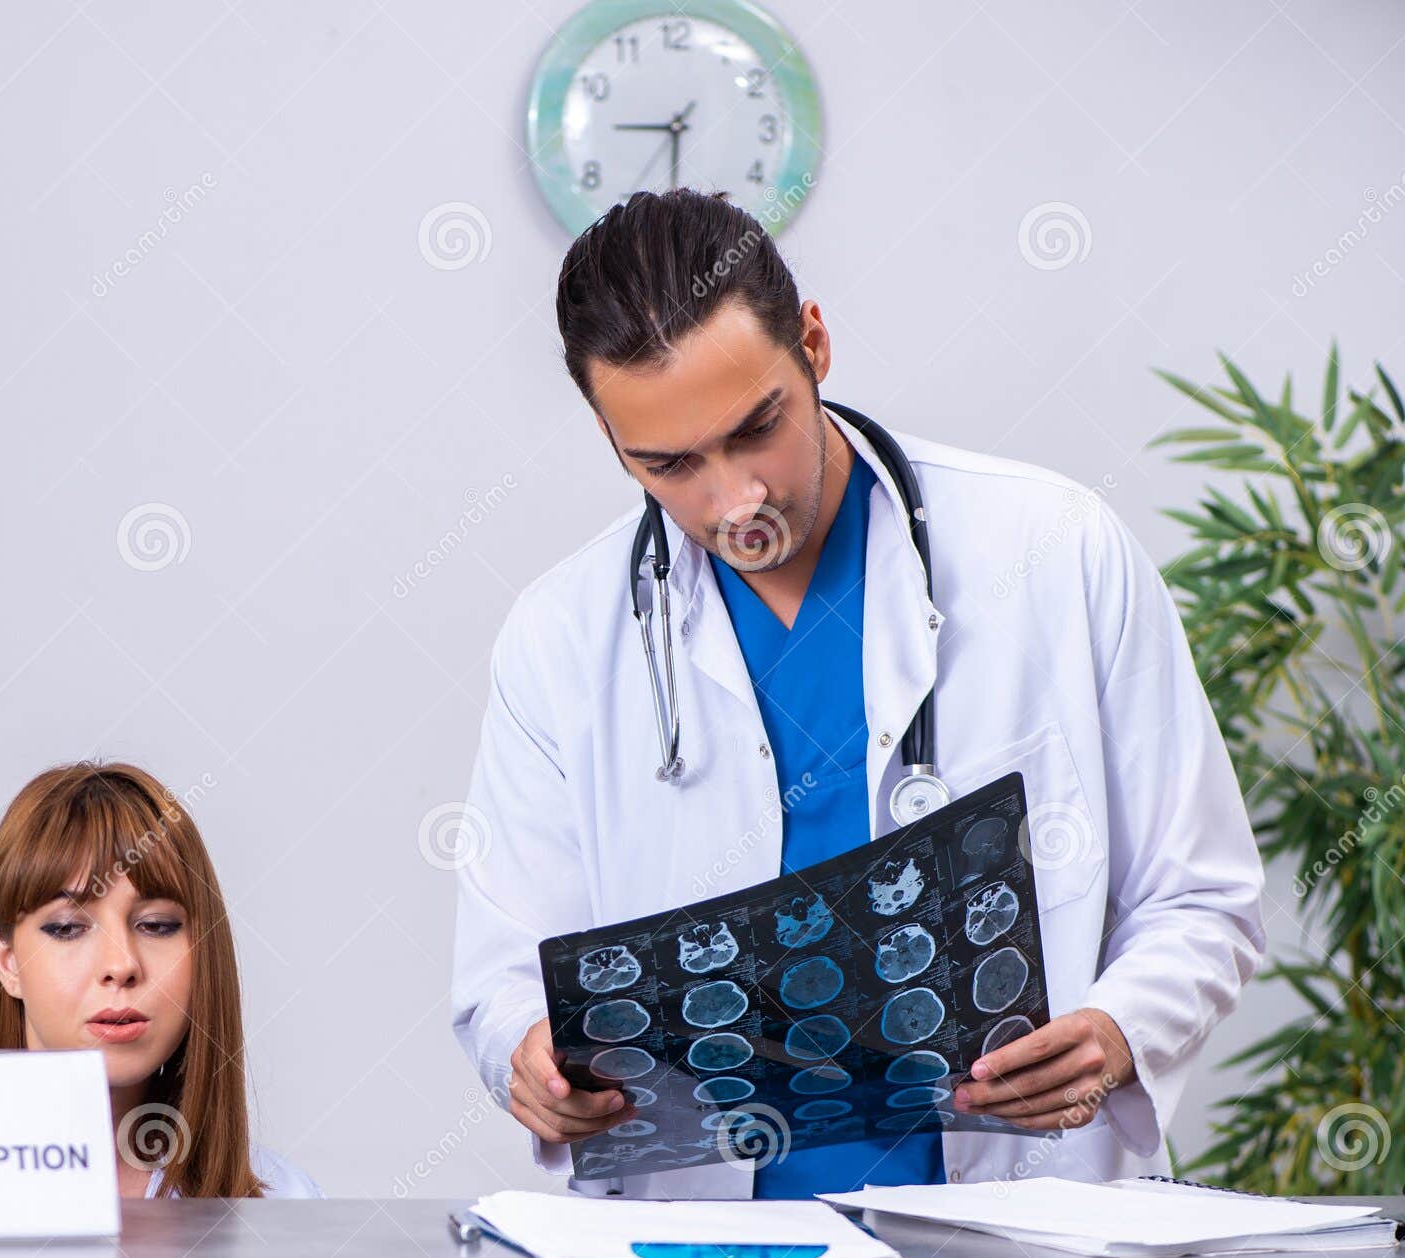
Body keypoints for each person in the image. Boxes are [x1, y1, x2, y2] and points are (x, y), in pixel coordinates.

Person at [450, 188, 1265, 1199]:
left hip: (1019, 1224)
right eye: (668, 464)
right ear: (612, 441)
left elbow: (1201, 893)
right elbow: (503, 974)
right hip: (698, 1257)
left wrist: (1118, 1030)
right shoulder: (559, 637)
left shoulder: (1054, 549)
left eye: (756, 429)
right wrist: (530, 1059)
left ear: (814, 345)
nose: (732, 498)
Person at [0, 761, 321, 1200]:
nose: (120, 965)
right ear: (6, 960)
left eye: (157, 925)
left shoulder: (288, 1204)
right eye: (67, 928)